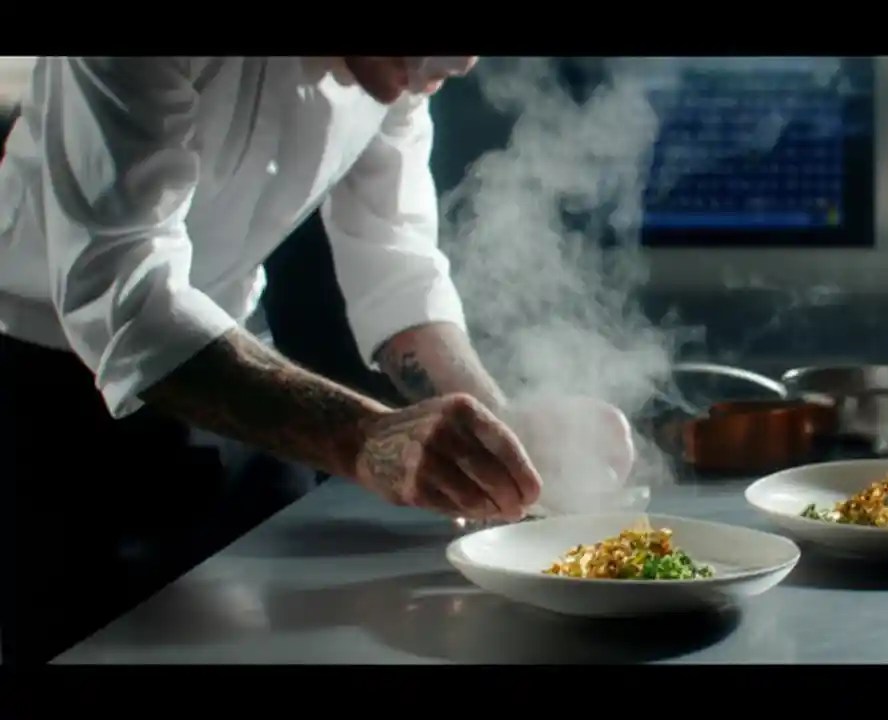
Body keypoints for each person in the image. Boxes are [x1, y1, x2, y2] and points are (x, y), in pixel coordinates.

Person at [0, 57, 635, 665]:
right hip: (42, 392)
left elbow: (398, 268)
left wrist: (500, 426)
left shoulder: (396, 72)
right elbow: (127, 299)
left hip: (235, 361)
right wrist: (370, 437)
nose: (465, 61)